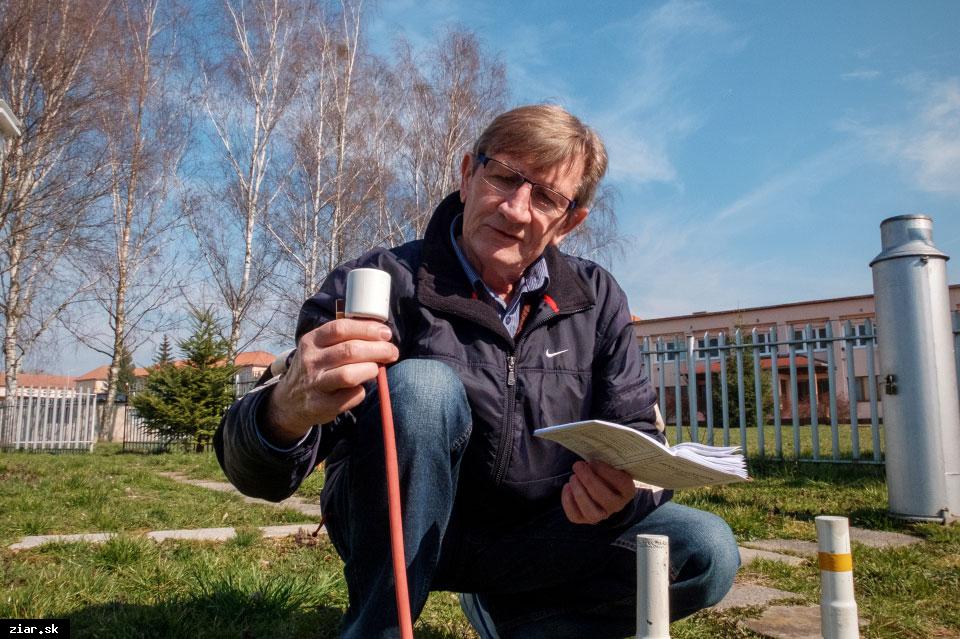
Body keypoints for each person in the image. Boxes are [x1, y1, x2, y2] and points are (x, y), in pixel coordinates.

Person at [214, 104, 739, 639]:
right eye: (504, 177)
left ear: (569, 221)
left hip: (543, 534)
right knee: (422, 387)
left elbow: (639, 434)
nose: (515, 209)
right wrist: (284, 413)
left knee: (705, 550)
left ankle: (517, 618)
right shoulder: (379, 283)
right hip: (402, 531)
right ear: (467, 175)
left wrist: (626, 489)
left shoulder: (596, 298)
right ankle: (379, 629)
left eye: (545, 197)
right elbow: (256, 471)